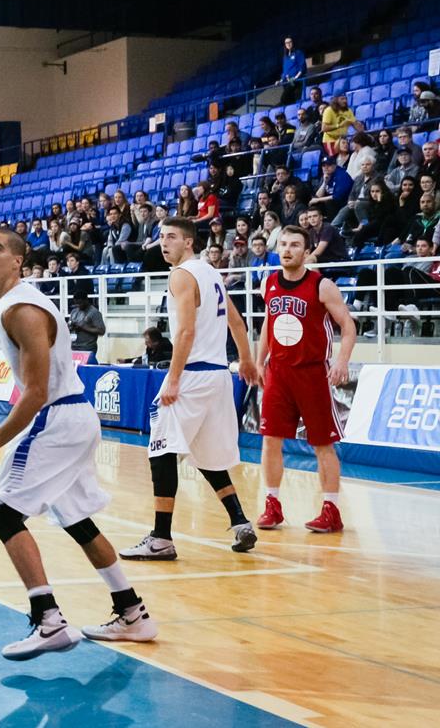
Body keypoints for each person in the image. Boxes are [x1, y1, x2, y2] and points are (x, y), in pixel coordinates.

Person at [0, 228, 155, 660]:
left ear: (18, 261)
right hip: (72, 417)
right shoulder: (11, 301)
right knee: (77, 521)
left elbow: (36, 393)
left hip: (56, 418)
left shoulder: (22, 309)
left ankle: (49, 620)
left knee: (2, 514)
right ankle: (133, 613)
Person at [120, 217, 261, 560]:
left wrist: (173, 378)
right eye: (161, 236)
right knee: (207, 454)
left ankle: (161, 538)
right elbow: (237, 322)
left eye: (170, 237)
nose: (163, 242)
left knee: (161, 452)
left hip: (194, 375)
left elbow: (185, 332)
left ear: (188, 242)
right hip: (218, 376)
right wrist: (245, 360)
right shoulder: (211, 272)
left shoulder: (181, 274)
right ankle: (241, 521)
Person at [256, 225, 357, 534]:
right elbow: (268, 325)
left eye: (295, 245)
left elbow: (348, 326)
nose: (287, 249)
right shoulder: (269, 283)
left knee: (322, 444)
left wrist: (341, 361)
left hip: (312, 373)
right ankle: (272, 505)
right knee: (270, 440)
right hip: (279, 373)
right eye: (283, 244)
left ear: (306, 250)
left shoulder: (322, 285)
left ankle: (331, 510)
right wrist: (259, 361)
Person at [67, 292, 106, 364]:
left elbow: (102, 331)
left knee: (86, 368)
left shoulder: (94, 313)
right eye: (76, 303)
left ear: (86, 300)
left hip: (87, 347)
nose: (78, 305)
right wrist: (71, 327)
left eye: (80, 303)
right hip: (74, 346)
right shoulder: (74, 311)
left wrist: (84, 328)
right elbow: (69, 324)